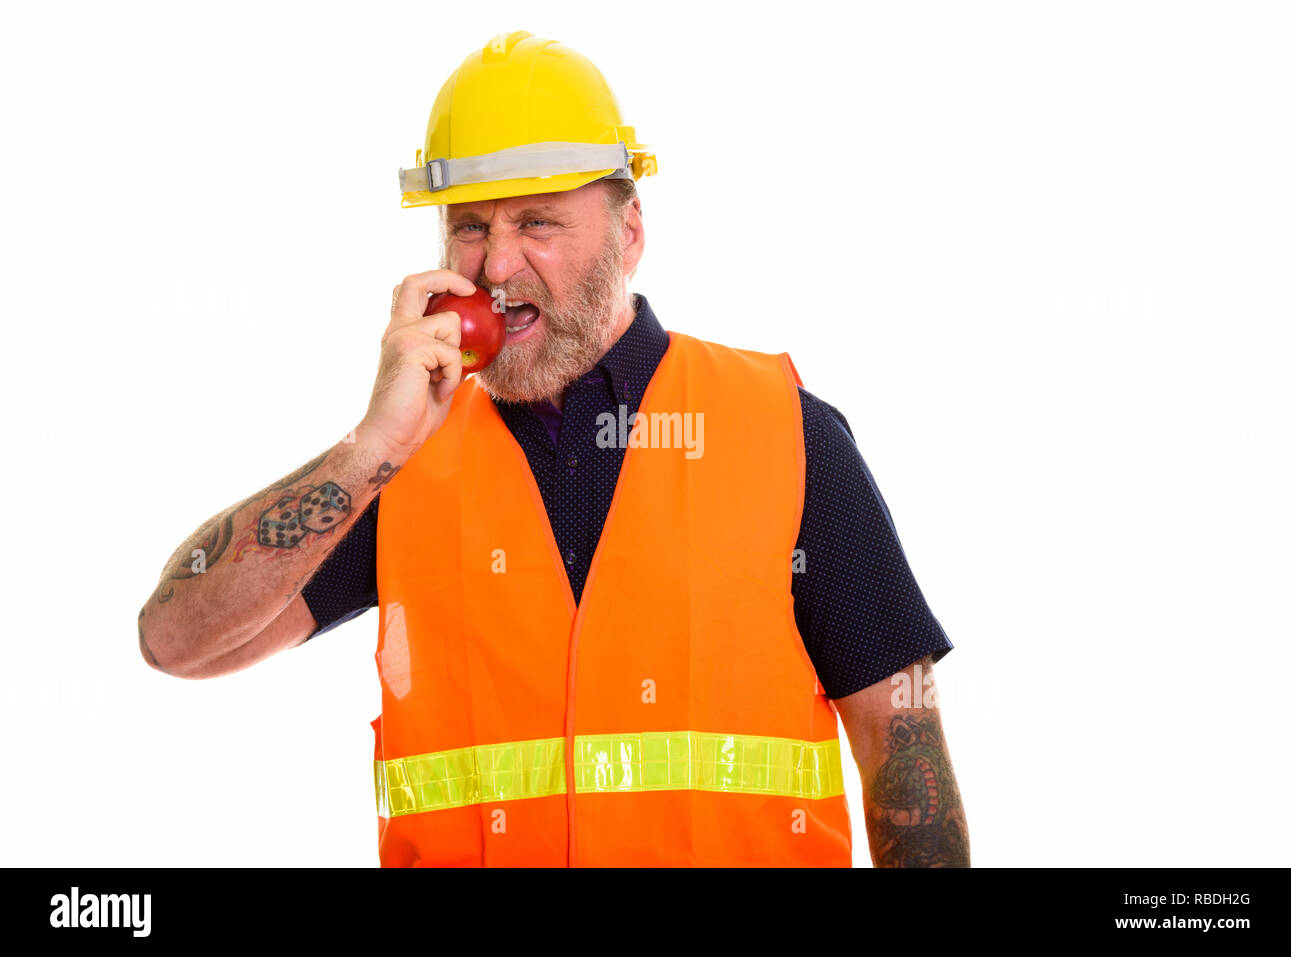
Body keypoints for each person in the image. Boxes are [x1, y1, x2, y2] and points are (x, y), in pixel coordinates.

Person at [139, 31, 969, 868]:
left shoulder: (787, 436)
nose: (497, 263)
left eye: (538, 221)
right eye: (469, 227)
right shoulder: (403, 466)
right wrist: (371, 448)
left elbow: (904, 765)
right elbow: (176, 640)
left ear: (630, 231)